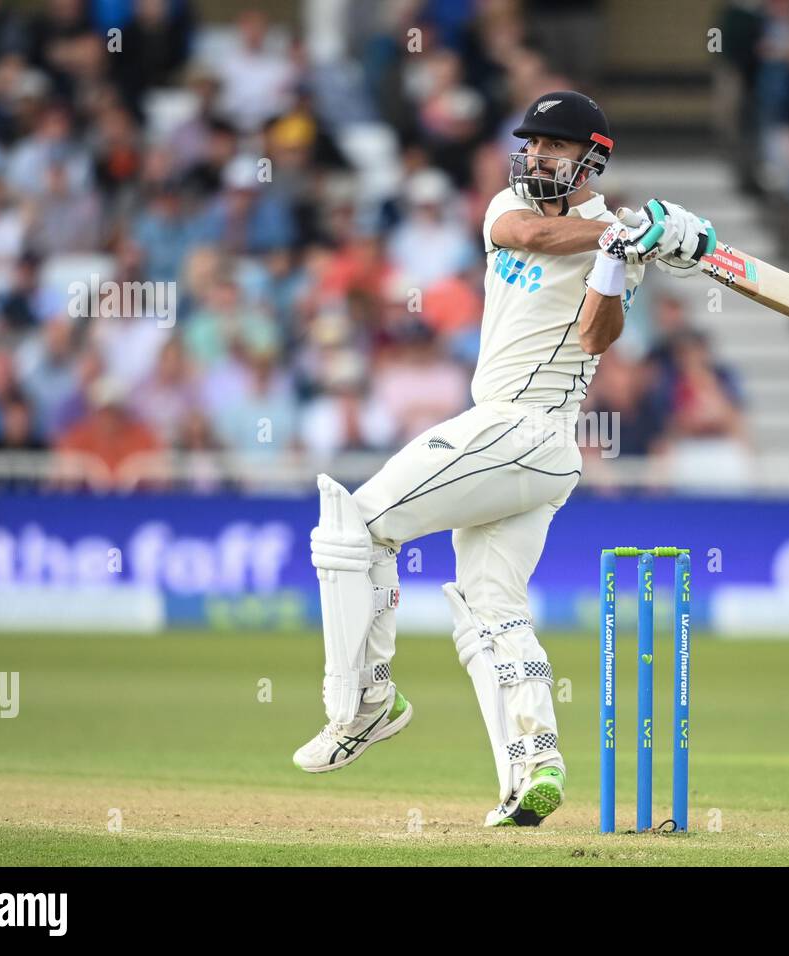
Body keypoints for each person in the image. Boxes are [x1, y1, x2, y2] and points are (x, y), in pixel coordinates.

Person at [290, 91, 713, 827]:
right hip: (514, 447)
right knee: (491, 609)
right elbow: (535, 238)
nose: (537, 156)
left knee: (352, 525)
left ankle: (365, 701)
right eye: (532, 143)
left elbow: (595, 338)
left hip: (528, 431)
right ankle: (535, 764)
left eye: (554, 145)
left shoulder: (613, 247)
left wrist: (620, 259)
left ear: (593, 158)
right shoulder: (505, 211)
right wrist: (627, 230)